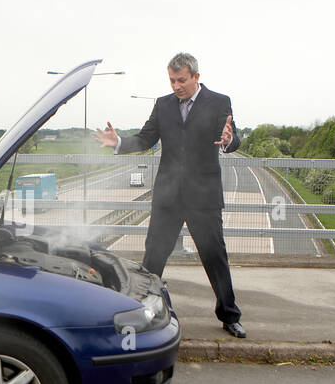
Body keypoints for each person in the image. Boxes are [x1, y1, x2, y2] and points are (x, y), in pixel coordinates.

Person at [94, 52, 246, 338]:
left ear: (196, 77)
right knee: (153, 258)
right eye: (172, 80)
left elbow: (230, 137)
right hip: (169, 196)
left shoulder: (219, 102)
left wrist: (228, 141)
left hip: (203, 196)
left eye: (182, 80)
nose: (176, 86)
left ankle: (229, 315)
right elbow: (145, 138)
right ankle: (140, 311)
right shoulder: (163, 105)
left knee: (215, 257)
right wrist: (119, 143)